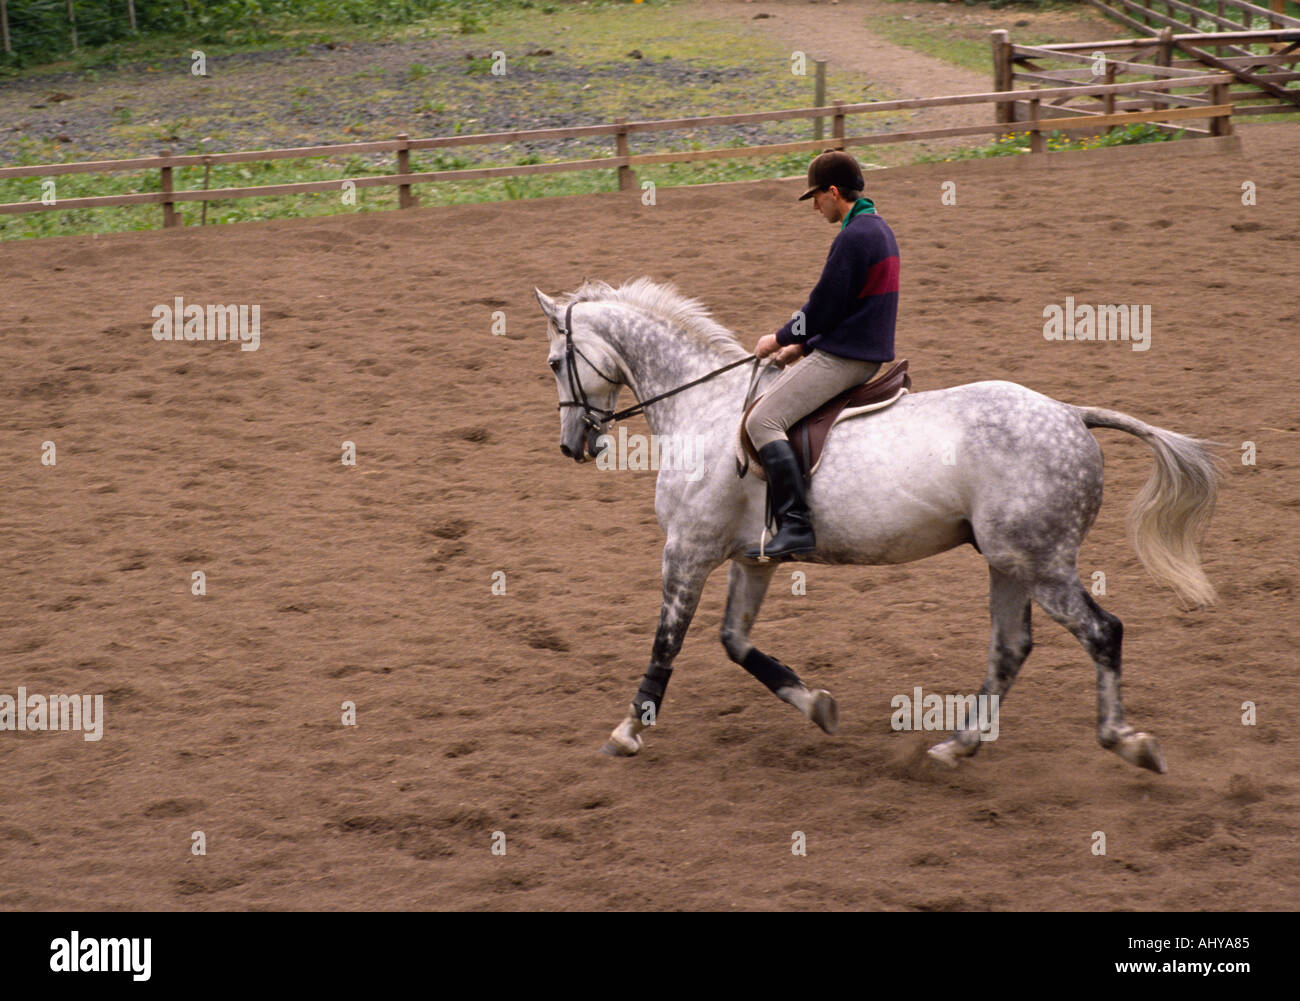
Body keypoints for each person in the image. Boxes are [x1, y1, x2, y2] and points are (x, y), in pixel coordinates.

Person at [744, 150, 900, 560]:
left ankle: (795, 524)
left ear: (834, 192)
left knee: (762, 420)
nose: (814, 206)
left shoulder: (853, 238)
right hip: (858, 347)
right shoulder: (879, 229)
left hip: (848, 358)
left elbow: (820, 308)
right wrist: (802, 347)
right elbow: (849, 309)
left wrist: (777, 338)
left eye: (816, 197)